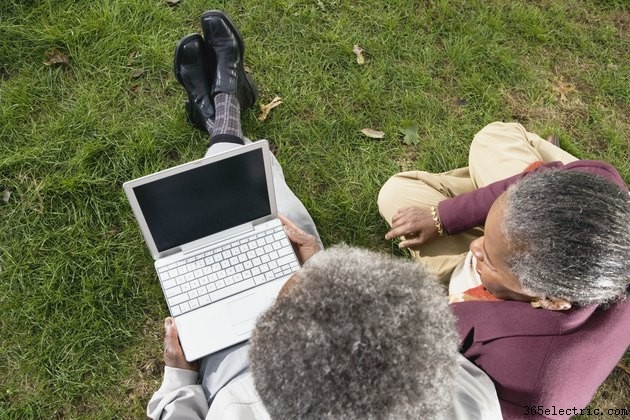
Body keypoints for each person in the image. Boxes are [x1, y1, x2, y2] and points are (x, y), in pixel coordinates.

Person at [147, 10, 503, 420]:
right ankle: (224, 110)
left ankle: (222, 114)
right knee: (273, 219)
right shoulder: (470, 402)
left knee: (242, 213)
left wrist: (178, 379)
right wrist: (316, 263)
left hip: (232, 373)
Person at [378, 122, 630, 419]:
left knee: (398, 193)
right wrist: (442, 217)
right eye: (484, 235)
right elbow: (536, 179)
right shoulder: (596, 182)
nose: (475, 248)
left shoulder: (535, 381)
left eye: (490, 260)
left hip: (506, 302)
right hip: (529, 257)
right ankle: (522, 192)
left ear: (551, 300)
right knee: (493, 135)